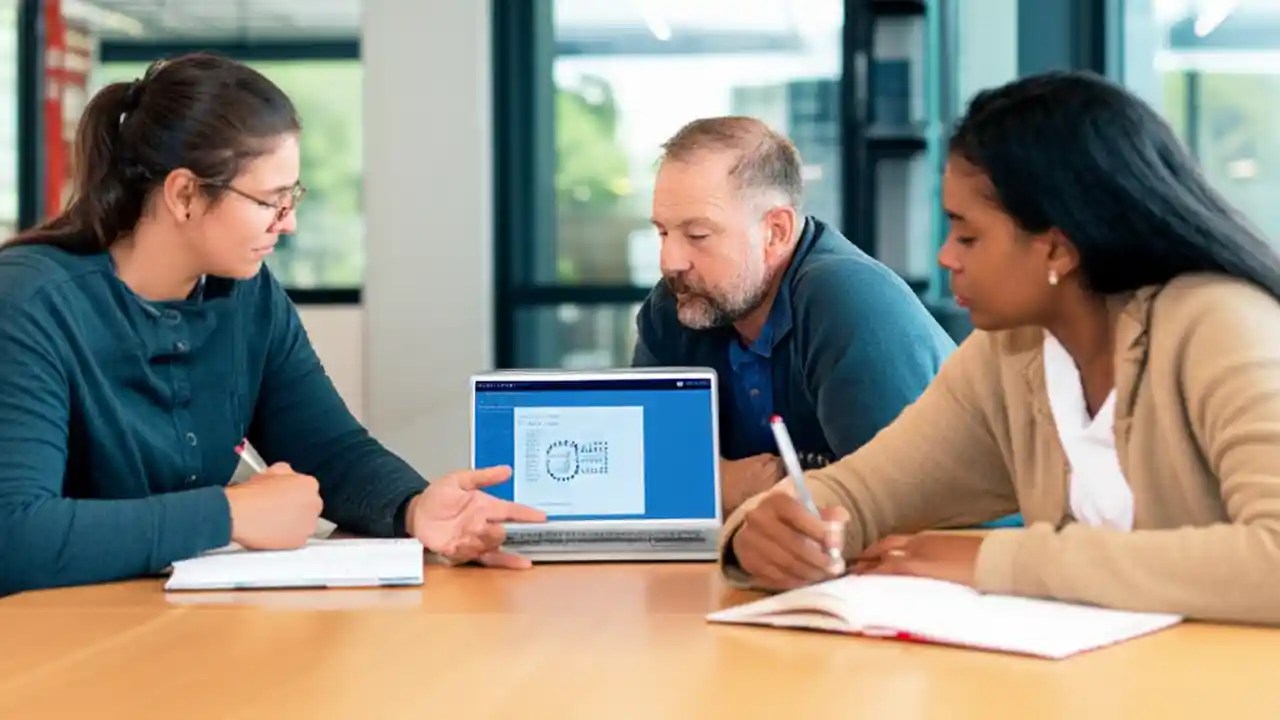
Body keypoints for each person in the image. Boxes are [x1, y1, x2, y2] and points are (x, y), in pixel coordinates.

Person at [723, 71, 1280, 625]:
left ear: (1057, 250)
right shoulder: (1011, 354)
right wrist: (762, 531)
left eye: (968, 236)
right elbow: (864, 489)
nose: (947, 257)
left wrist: (994, 560)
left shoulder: (1219, 323)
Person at [0, 54, 545, 596]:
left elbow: (328, 448)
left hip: (167, 630)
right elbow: (15, 536)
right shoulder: (29, 302)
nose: (289, 223)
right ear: (185, 194)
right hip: (48, 645)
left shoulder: (248, 295)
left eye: (293, 196)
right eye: (271, 201)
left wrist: (413, 507)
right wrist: (228, 514)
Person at [632, 117, 954, 515]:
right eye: (663, 233)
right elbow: (642, 473)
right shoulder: (676, 307)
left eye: (698, 235)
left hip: (966, 557)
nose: (670, 262)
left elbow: (892, 504)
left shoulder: (847, 299)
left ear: (776, 232)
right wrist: (744, 484)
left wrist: (730, 486)